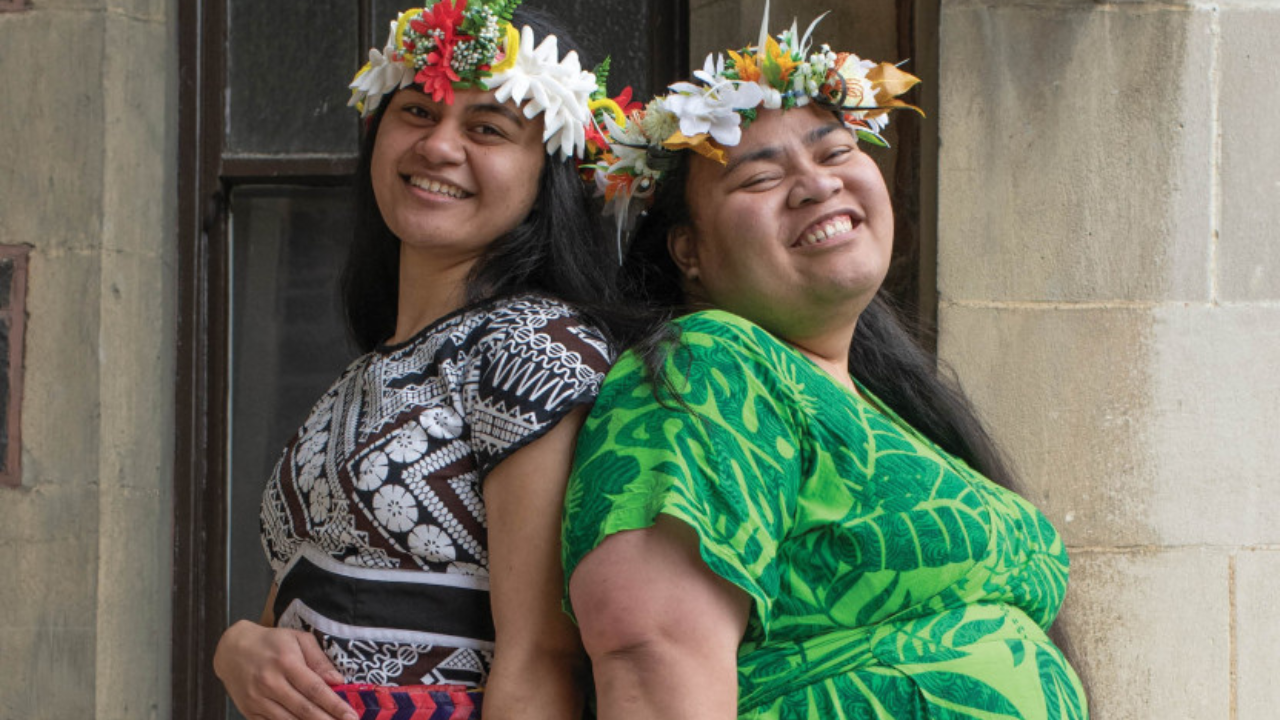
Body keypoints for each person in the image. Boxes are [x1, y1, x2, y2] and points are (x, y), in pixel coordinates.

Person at [561, 10, 1089, 719]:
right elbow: (652, 652)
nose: (816, 185)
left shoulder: (889, 408)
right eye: (759, 178)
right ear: (689, 251)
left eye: (835, 152)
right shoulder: (709, 367)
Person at [214, 3, 631, 719]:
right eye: (416, 111)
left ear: (549, 174)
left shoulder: (536, 350)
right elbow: (302, 593)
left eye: (487, 129)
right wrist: (239, 648)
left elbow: (540, 660)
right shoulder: (365, 373)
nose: (438, 147)